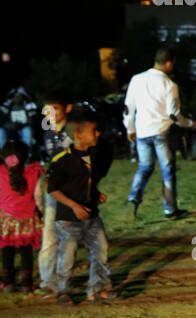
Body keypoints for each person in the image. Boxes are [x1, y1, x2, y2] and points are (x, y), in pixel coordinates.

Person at [47, 109, 114, 304]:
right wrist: (74, 205)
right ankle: (63, 292)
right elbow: (53, 189)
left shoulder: (93, 156)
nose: (98, 134)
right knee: (67, 257)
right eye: (93, 131)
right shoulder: (63, 160)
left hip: (92, 215)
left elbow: (85, 182)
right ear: (78, 135)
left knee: (101, 249)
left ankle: (97, 289)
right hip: (68, 218)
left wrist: (95, 194)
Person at [123, 48, 194, 220]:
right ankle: (170, 210)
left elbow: (128, 107)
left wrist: (130, 128)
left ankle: (133, 198)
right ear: (169, 63)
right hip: (162, 132)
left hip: (141, 132)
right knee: (167, 171)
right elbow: (174, 115)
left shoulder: (136, 80)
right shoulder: (170, 85)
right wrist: (191, 123)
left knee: (145, 167)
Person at [35, 91, 73, 296]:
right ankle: (48, 280)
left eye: (55, 108)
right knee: (49, 235)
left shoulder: (76, 131)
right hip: (54, 191)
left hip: (75, 192)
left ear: (68, 108)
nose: (50, 113)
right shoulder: (48, 133)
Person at [0, 140, 42, 292]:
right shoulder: (33, 171)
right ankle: (26, 283)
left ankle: (8, 282)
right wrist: (41, 210)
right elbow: (38, 195)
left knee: (7, 249)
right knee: (26, 251)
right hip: (27, 217)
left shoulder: (1, 171)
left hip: (7, 217)